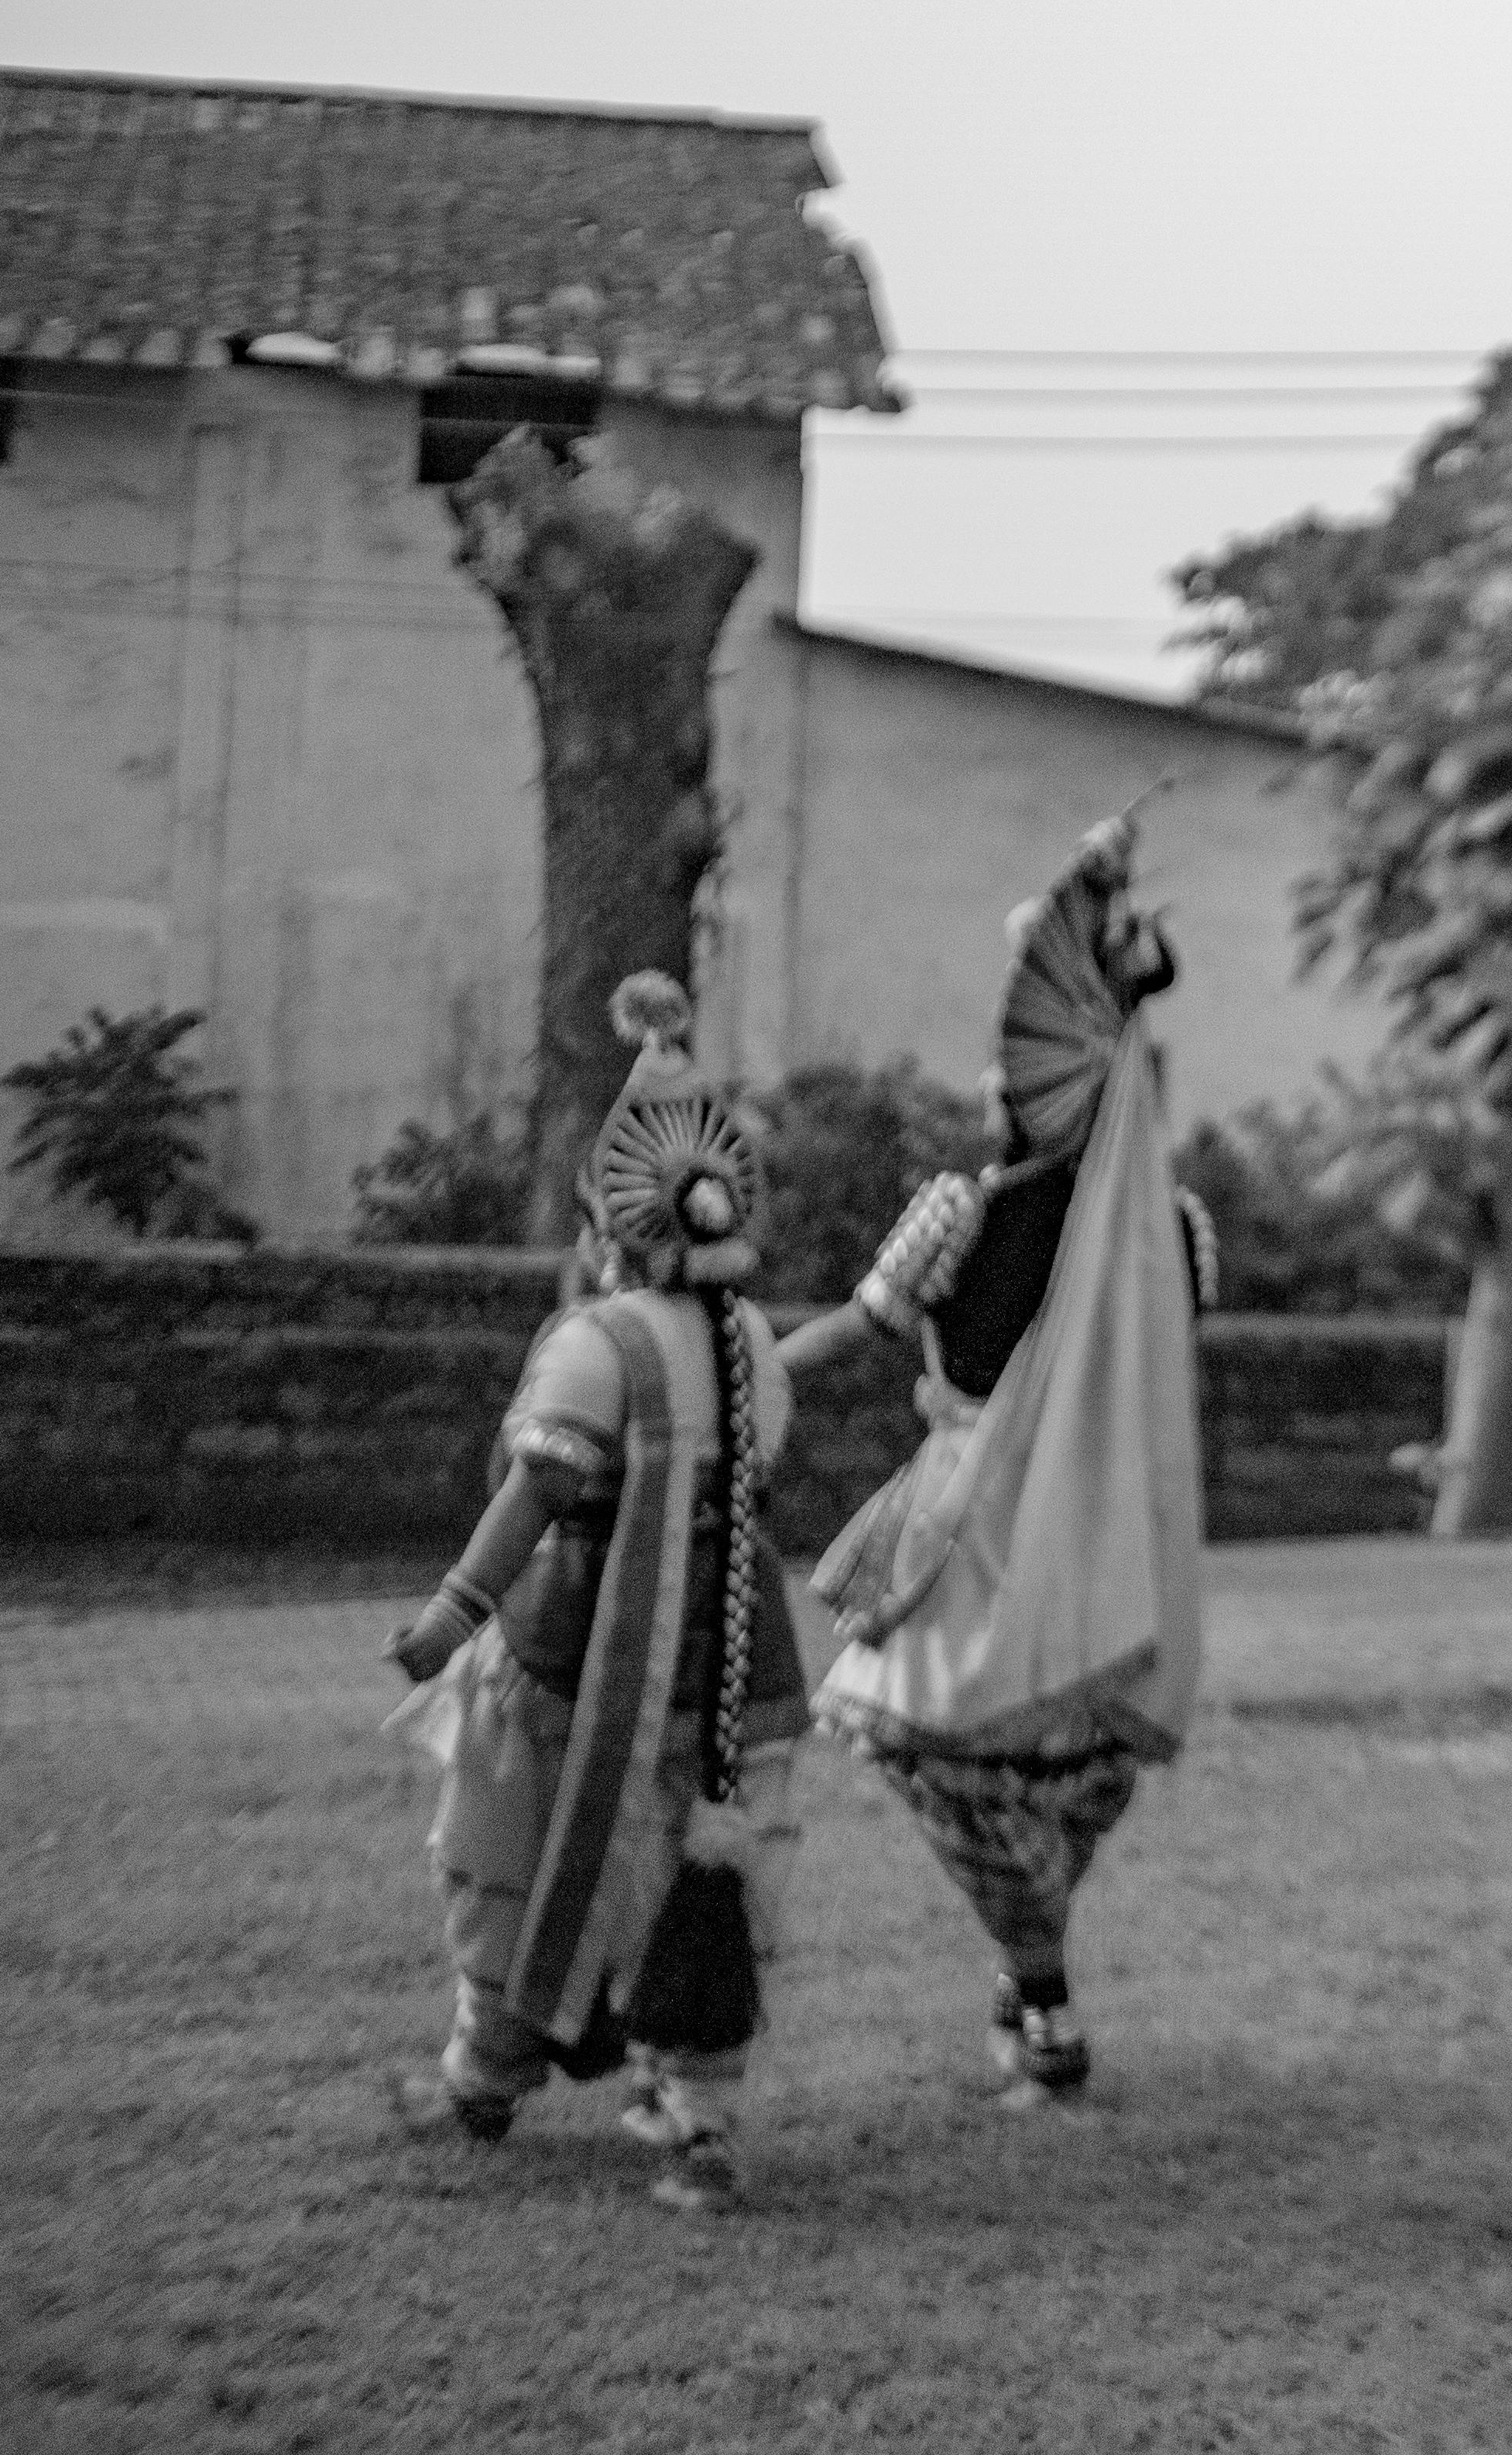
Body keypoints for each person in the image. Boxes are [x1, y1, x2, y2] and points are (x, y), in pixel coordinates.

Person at [784, 813, 1213, 2104]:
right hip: (1114, 1539)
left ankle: (1041, 1991)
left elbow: (858, 1327)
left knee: (938, 1753)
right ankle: (1035, 1987)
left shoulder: (962, 1211)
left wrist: (717, 1367)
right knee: (1071, 1767)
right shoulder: (1177, 1233)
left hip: (973, 1528)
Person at [382, 972, 804, 2216]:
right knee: (707, 1871)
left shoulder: (597, 1342)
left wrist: (450, 1616)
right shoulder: (754, 1344)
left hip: (585, 1646)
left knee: (516, 1853)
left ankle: (486, 2078)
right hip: (743, 1658)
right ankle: (698, 2121)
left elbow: (534, 1496)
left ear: (607, 1224)